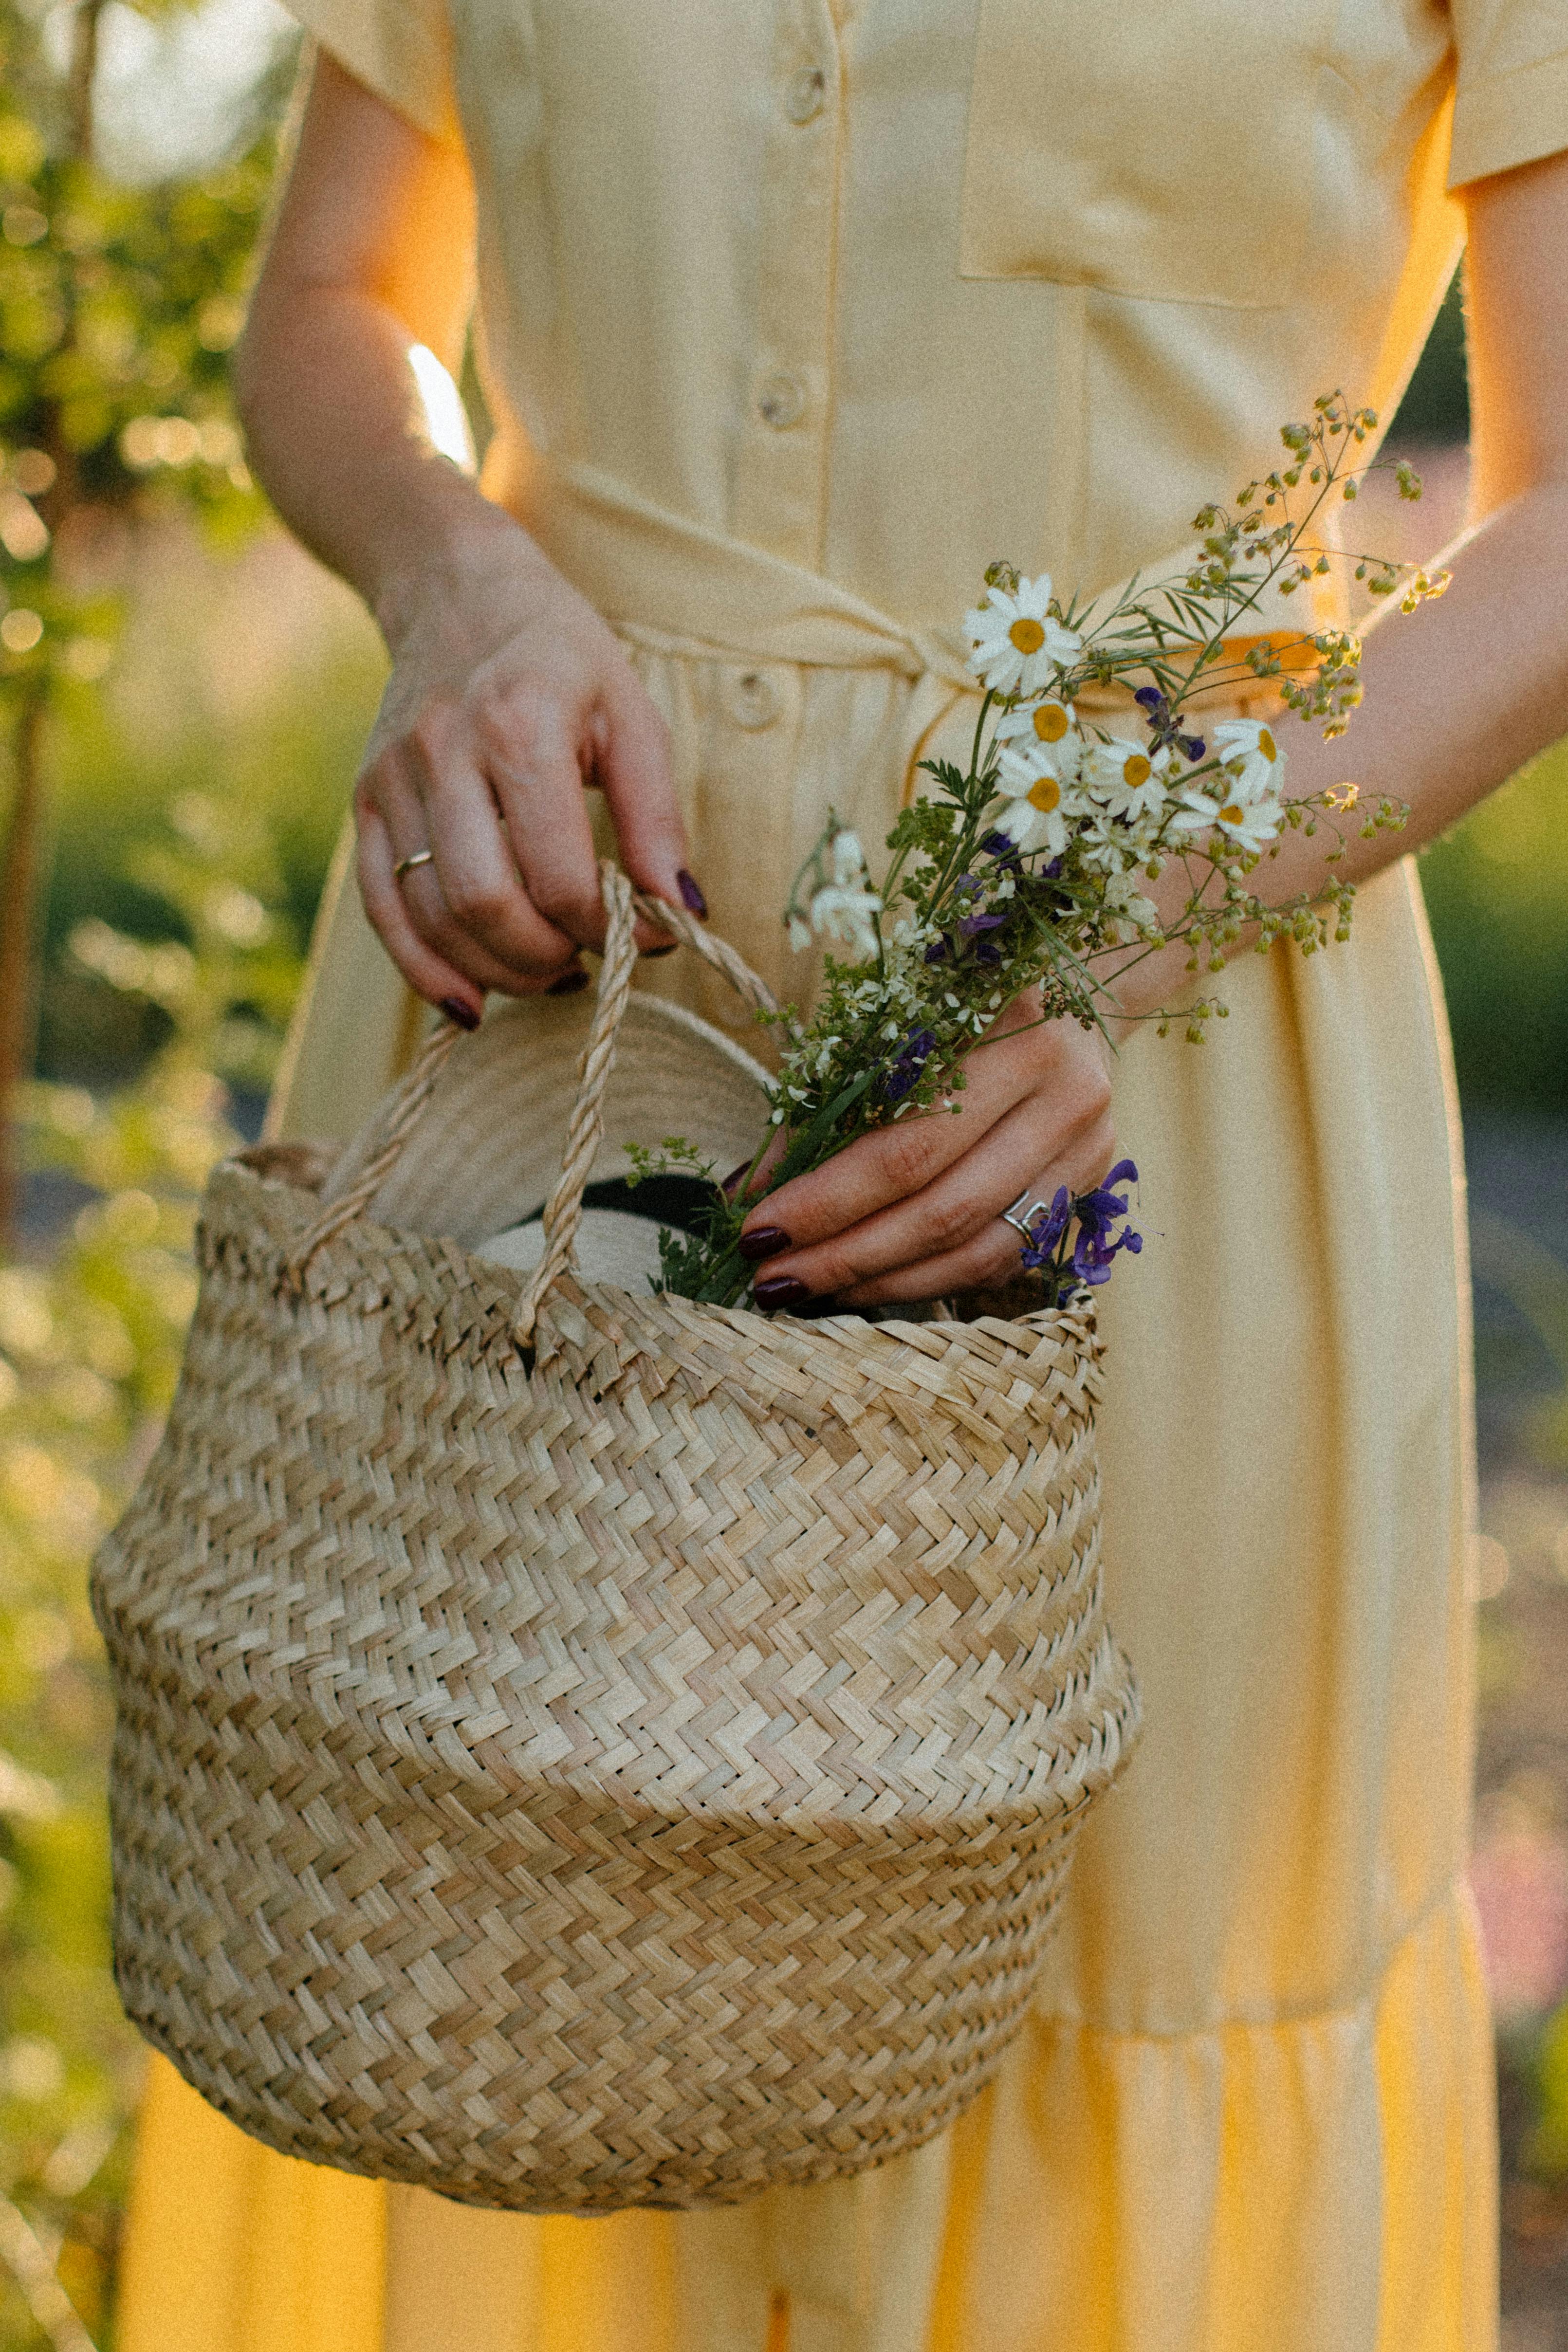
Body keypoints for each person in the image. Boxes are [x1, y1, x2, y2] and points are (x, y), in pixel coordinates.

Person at [115, 5, 1568, 2347]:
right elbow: (328, 313)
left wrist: (1130, 911)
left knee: (1123, 1973)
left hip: (1132, 1092)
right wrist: (454, 591)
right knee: (474, 1955)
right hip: (550, 1008)